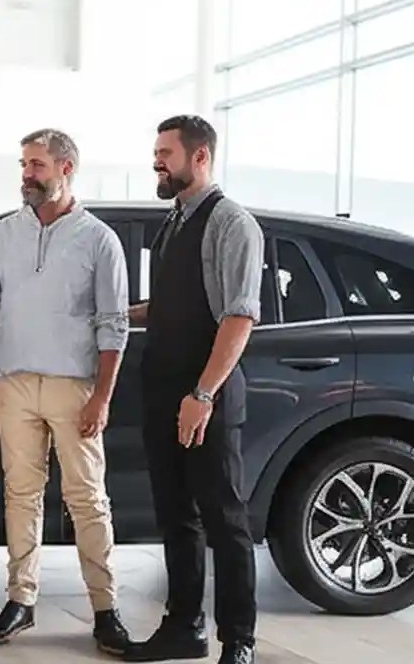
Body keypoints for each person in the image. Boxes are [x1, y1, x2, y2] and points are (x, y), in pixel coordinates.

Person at [0, 128, 133, 655]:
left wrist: (102, 397)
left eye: (36, 165)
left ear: (65, 169)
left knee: (87, 500)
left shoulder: (99, 239)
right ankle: (20, 600)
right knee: (20, 495)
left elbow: (112, 324)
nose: (27, 175)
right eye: (24, 165)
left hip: (75, 387)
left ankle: (105, 609)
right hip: (15, 384)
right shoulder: (4, 234)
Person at [123, 115, 263, 664]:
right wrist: (116, 314)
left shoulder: (231, 223)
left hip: (207, 397)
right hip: (163, 390)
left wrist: (202, 395)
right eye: (156, 151)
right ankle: (184, 628)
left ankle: (239, 641)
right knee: (176, 517)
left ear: (199, 156)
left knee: (225, 520)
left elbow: (238, 317)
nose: (157, 161)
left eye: (165, 153)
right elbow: (176, 305)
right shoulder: (175, 221)